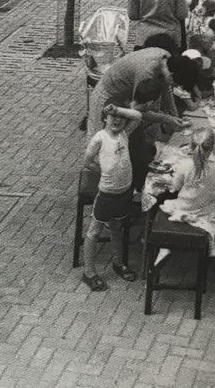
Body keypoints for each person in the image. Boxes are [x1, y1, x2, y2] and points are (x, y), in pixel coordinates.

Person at [80, 103, 142, 291]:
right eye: (111, 116)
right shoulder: (99, 138)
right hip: (107, 193)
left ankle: (118, 262)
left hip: (124, 191)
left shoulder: (125, 134)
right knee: (94, 231)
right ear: (104, 118)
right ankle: (89, 272)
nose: (117, 120)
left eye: (121, 118)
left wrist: (118, 110)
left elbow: (138, 116)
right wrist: (103, 171)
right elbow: (87, 161)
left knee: (117, 227)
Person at [86, 46, 196, 136]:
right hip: (108, 93)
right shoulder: (146, 73)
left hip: (125, 95)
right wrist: (169, 119)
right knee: (99, 136)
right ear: (171, 76)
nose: (173, 86)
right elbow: (140, 110)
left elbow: (165, 88)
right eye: (175, 84)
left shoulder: (167, 59)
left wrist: (175, 116)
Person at [157, 127, 215, 262]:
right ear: (213, 147)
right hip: (206, 211)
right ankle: (210, 242)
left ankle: (163, 245)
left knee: (166, 202)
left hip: (183, 207)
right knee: (209, 206)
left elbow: (175, 187)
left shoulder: (184, 164)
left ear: (190, 146)